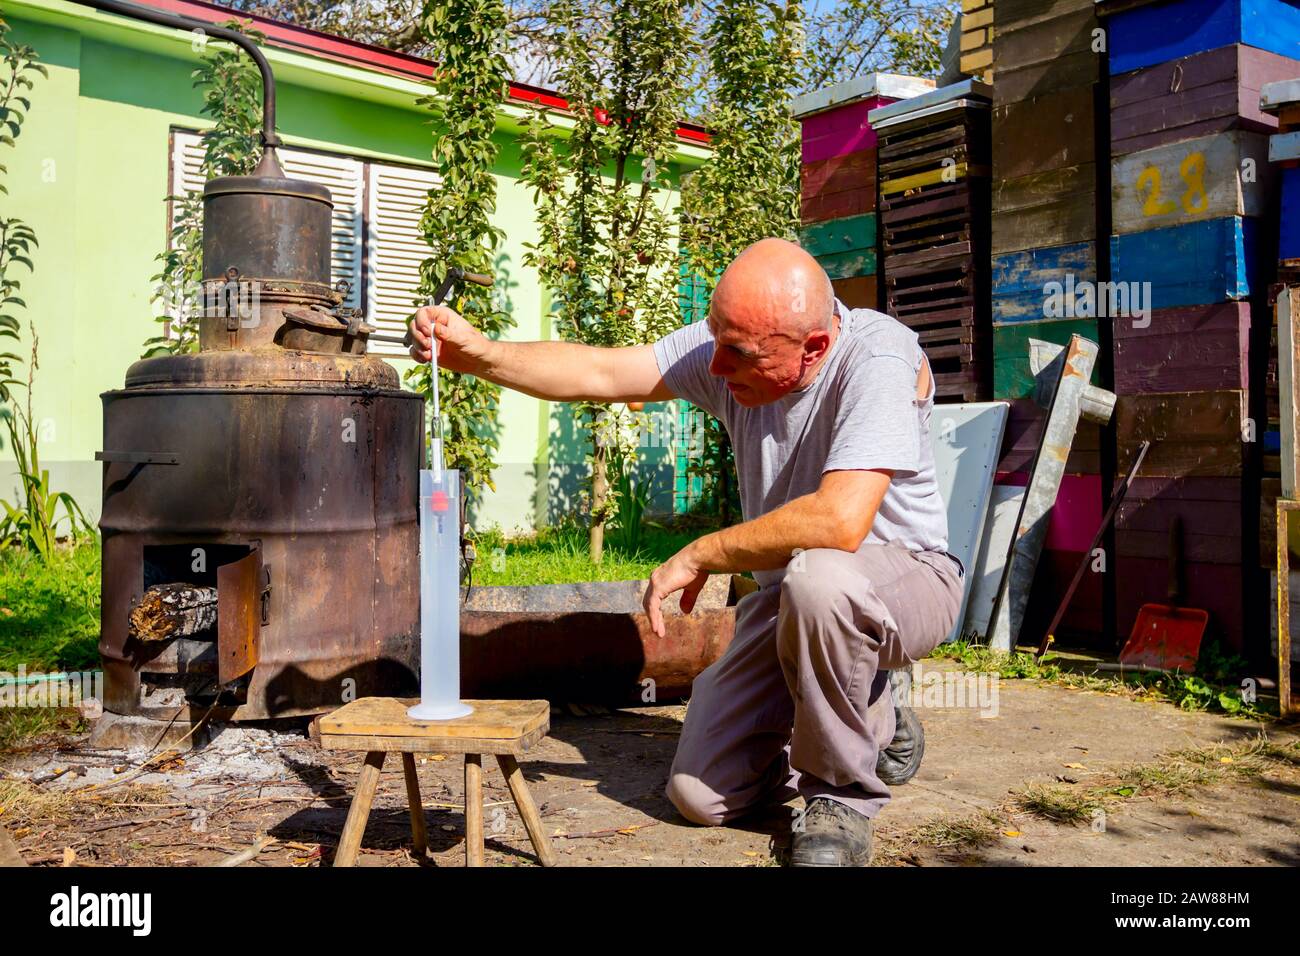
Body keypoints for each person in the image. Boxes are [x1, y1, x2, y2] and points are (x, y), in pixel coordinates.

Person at [409, 237, 964, 866]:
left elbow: (840, 521)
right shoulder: (730, 347)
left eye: (739, 353)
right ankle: (868, 715)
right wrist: (478, 353)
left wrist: (703, 553)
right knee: (700, 794)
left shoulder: (878, 356)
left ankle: (838, 797)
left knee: (821, 580)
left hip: (904, 579)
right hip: (797, 598)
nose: (715, 367)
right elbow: (599, 373)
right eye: (715, 341)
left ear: (813, 348)